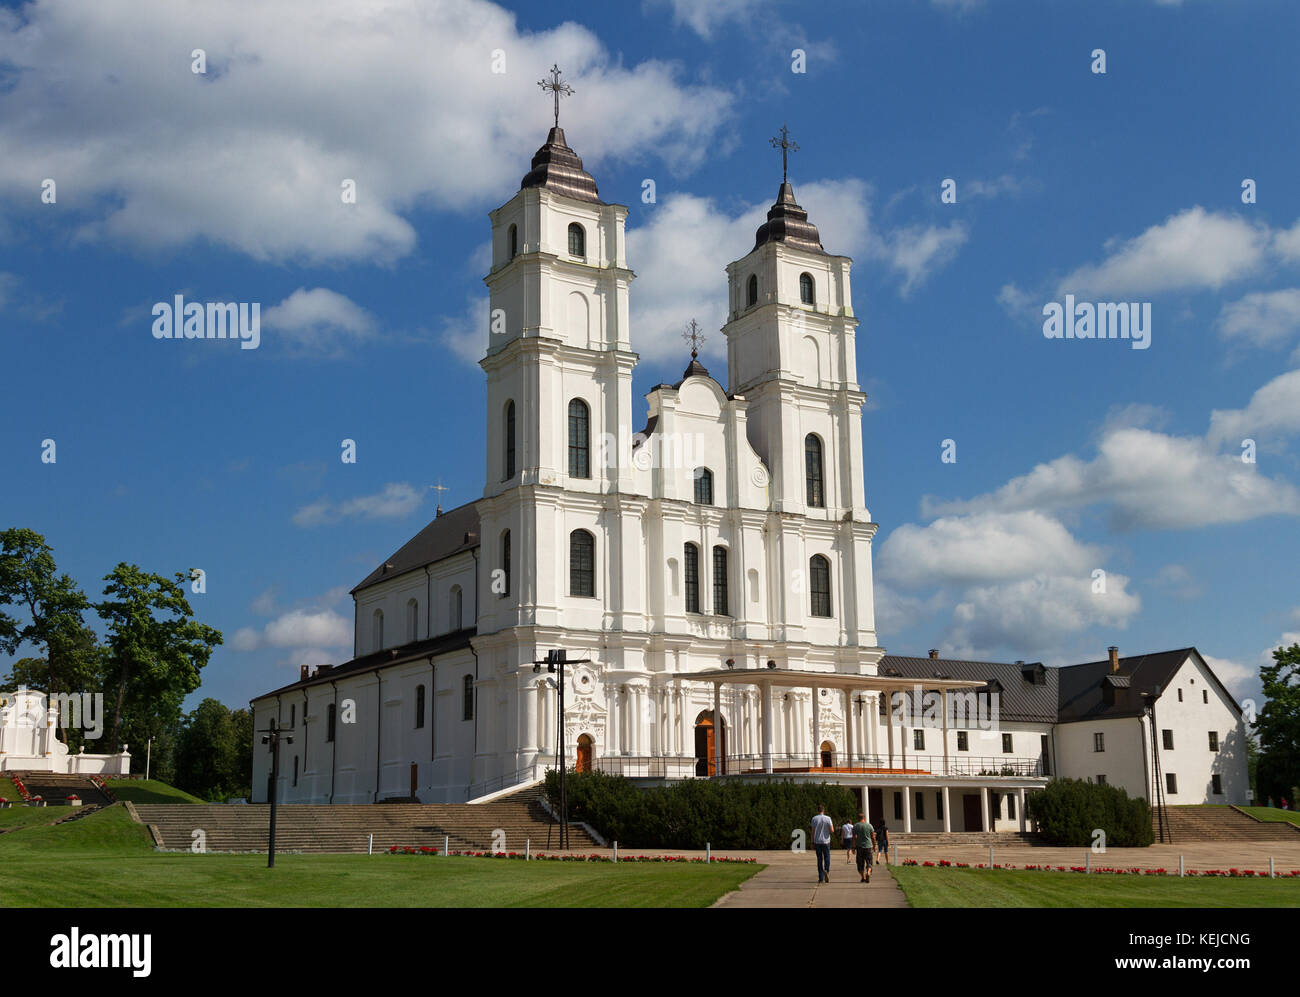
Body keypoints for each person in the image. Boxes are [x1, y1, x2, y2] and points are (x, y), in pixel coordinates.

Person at [811, 804, 833, 883]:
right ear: (823, 810)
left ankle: (821, 877)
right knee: (827, 856)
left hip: (817, 841)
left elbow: (813, 831)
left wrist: (812, 842)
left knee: (819, 859)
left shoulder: (814, 818)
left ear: (818, 810)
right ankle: (826, 870)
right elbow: (832, 830)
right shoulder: (828, 818)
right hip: (826, 841)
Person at [852, 812, 875, 883]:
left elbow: (854, 837)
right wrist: (874, 845)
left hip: (859, 847)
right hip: (868, 846)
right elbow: (873, 837)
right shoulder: (869, 826)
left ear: (858, 818)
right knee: (869, 862)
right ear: (864, 818)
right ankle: (868, 872)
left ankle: (863, 877)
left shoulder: (855, 826)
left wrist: (853, 847)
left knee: (860, 863)